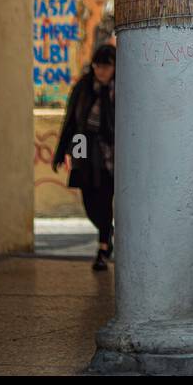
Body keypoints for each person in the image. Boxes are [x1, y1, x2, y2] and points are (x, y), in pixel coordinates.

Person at [54, 43, 116, 270]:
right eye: (98, 66)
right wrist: (61, 152)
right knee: (89, 199)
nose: (101, 72)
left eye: (106, 67)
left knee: (105, 195)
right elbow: (70, 119)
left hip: (109, 151)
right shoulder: (83, 87)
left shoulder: (118, 89)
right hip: (83, 147)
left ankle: (102, 247)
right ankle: (106, 230)